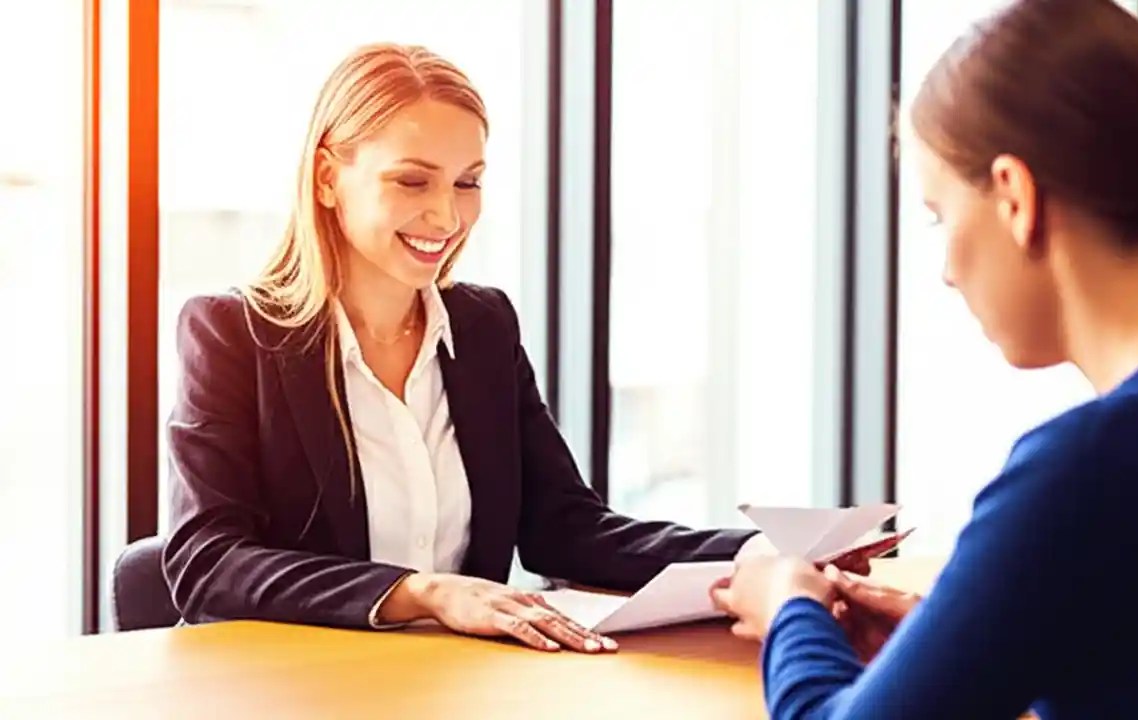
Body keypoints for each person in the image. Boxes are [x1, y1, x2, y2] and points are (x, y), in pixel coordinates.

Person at [710, 0, 1138, 716]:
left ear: (1015, 196)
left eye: (939, 215)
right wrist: (961, 643)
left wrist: (788, 607)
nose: (946, 269)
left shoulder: (1095, 464)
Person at [161, 42, 783, 653]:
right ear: (327, 178)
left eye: (467, 183)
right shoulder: (231, 333)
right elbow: (206, 563)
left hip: (465, 687)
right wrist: (420, 593)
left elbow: (565, 530)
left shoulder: (484, 326)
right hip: (299, 691)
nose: (445, 216)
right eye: (412, 181)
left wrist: (767, 555)